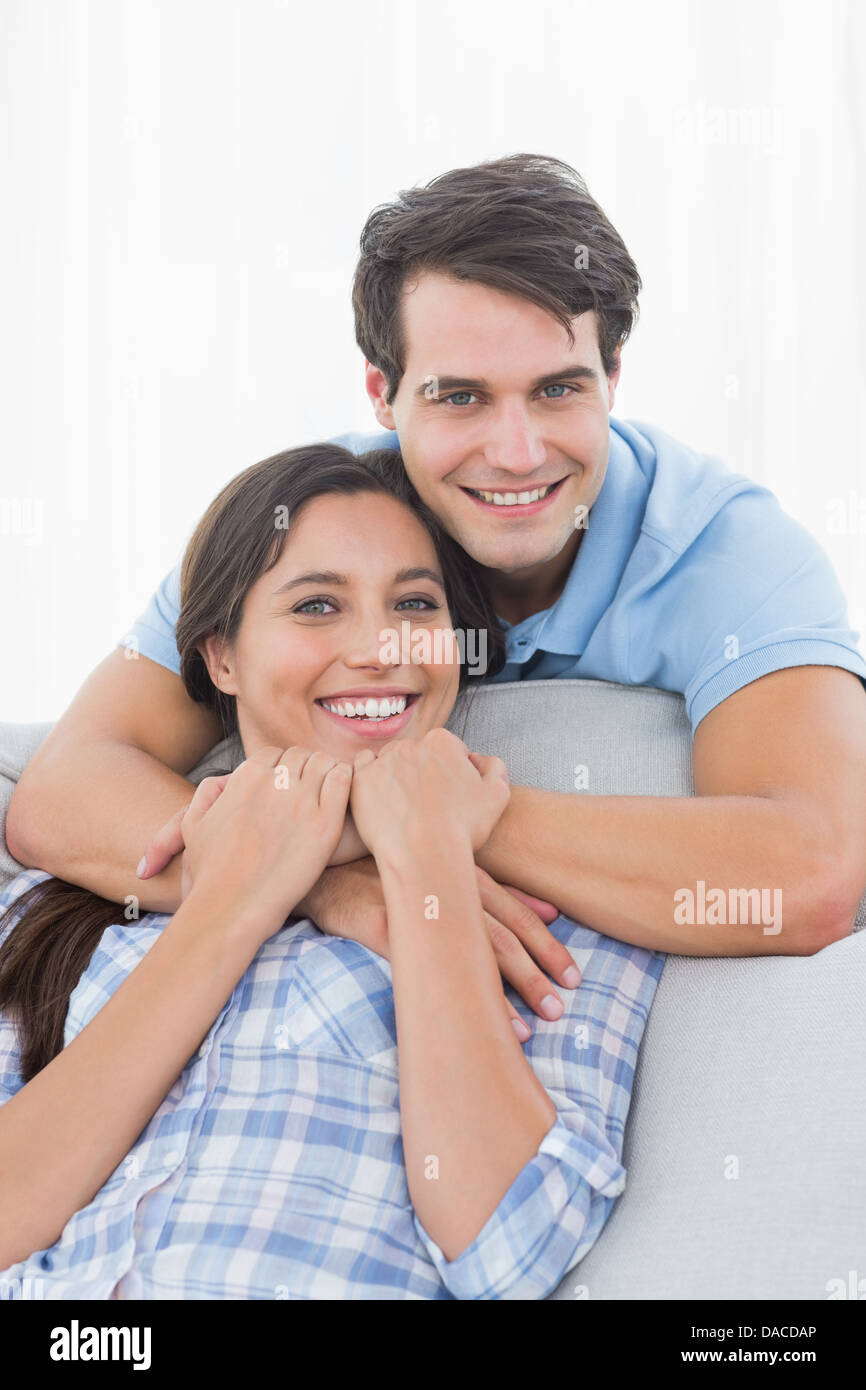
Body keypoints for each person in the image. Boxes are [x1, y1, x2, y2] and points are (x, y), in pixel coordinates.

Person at [8, 153, 866, 994]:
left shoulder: (730, 553)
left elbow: (811, 876)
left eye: (558, 390)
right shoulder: (314, 522)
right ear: (384, 395)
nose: (518, 454)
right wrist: (329, 882)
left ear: (611, 379)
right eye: (460, 398)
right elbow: (61, 793)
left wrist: (444, 813)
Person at [0, 444, 663, 1299]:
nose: (381, 649)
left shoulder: (535, 930)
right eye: (317, 604)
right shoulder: (69, 906)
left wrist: (427, 862)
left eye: (415, 605)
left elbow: (509, 1252)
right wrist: (233, 901)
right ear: (221, 659)